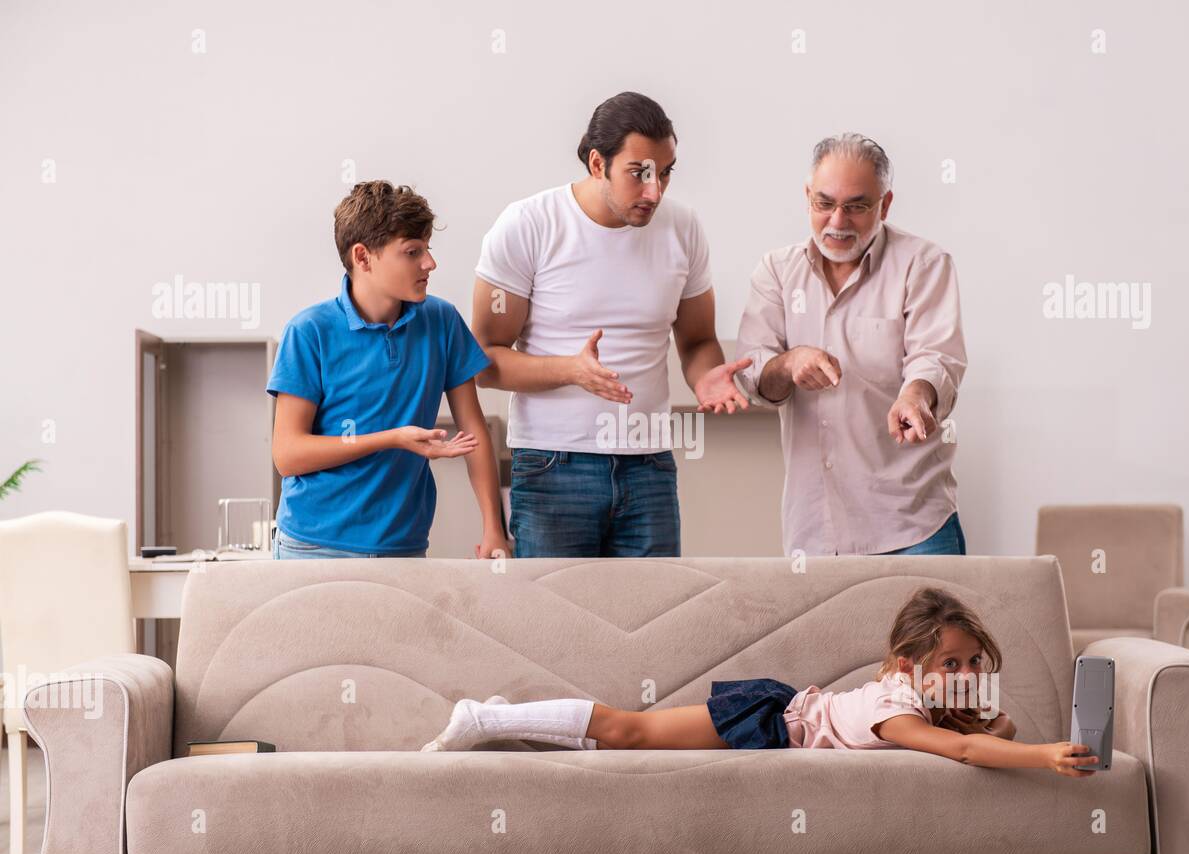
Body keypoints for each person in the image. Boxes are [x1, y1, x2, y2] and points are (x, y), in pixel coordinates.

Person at [420, 586, 1100, 778]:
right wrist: (1041, 753)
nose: (967, 675)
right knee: (629, 729)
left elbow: (983, 735)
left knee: (628, 742)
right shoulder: (899, 709)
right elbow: (967, 752)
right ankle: (486, 717)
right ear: (906, 665)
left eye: (973, 662)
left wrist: (1004, 729)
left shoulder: (935, 704)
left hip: (788, 717)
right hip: (774, 717)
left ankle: (506, 719)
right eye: (950, 664)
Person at [472, 91, 751, 558]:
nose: (654, 191)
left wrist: (707, 377)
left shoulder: (683, 229)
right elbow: (484, 362)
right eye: (639, 173)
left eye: (665, 173)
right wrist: (572, 371)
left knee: (654, 621)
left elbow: (699, 340)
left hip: (649, 465)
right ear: (598, 163)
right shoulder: (528, 225)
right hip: (552, 464)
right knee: (552, 624)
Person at [732, 134, 969, 556]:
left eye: (857, 206)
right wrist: (789, 364)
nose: (838, 221)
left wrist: (915, 396)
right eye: (824, 204)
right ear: (808, 197)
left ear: (886, 203)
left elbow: (936, 359)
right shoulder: (776, 271)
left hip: (913, 525)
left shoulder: (924, 264)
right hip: (815, 531)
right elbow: (755, 376)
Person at [267, 181, 509, 560]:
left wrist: (494, 530)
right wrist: (389, 438)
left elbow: (473, 430)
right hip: (314, 547)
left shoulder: (442, 321)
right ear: (363, 258)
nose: (430, 263)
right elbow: (288, 454)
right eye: (413, 252)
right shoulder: (309, 331)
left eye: (427, 249)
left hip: (403, 547)